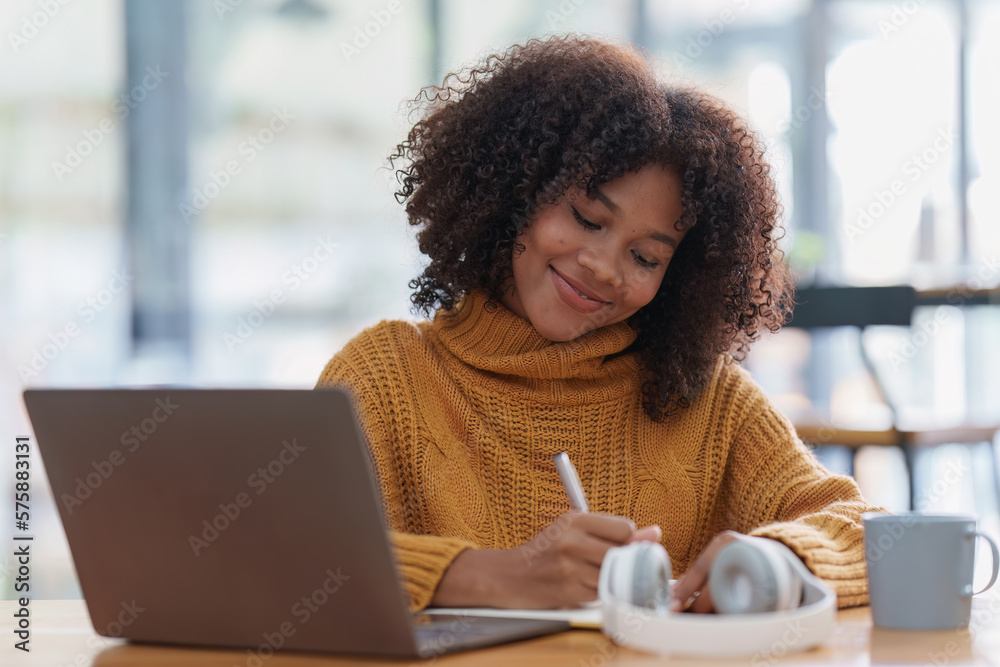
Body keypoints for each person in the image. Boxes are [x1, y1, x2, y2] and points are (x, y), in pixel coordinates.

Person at [316, 35, 882, 613]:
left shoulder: (704, 399)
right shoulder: (384, 377)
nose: (604, 269)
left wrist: (781, 561)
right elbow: (286, 560)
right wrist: (494, 577)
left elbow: (871, 533)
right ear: (515, 191)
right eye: (587, 218)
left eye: (646, 258)